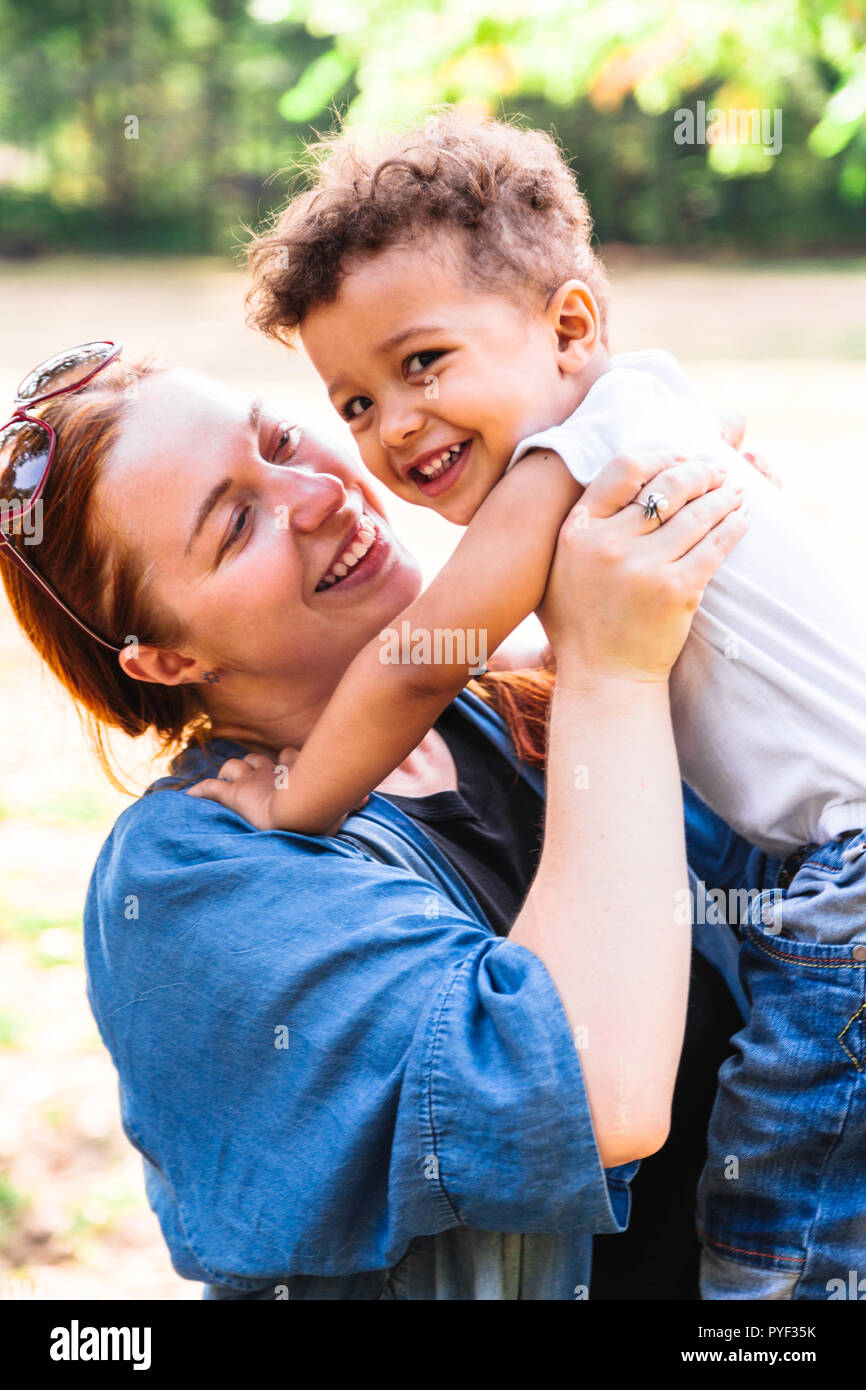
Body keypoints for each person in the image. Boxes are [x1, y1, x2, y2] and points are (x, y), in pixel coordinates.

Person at [194, 111, 866, 1299]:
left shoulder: (577, 455)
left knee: (782, 1220)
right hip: (817, 865)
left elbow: (427, 654)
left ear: (568, 327)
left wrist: (293, 799)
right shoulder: (646, 417)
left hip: (845, 883)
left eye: (421, 363)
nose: (390, 426)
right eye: (350, 402)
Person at [0, 344, 759, 1298]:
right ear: (166, 659)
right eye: (238, 524)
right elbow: (587, 1092)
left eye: (278, 438)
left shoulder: (508, 690)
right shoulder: (187, 880)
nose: (315, 493)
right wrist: (617, 669)